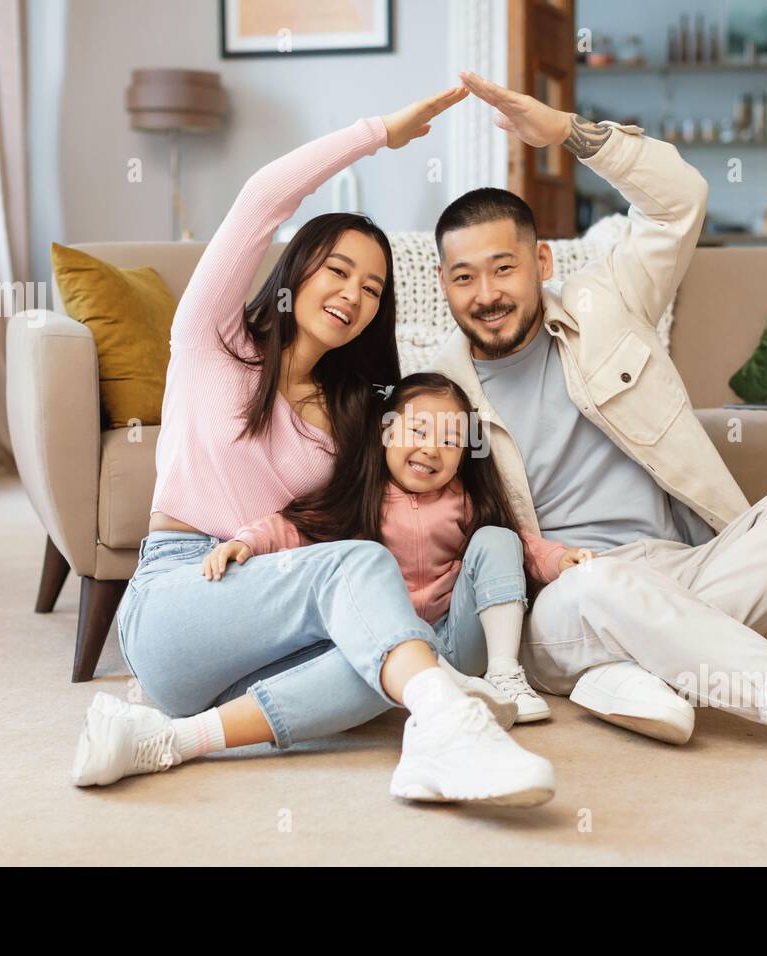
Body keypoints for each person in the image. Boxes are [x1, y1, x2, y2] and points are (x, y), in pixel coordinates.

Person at [430, 72, 767, 788]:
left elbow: (678, 203)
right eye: (463, 278)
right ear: (444, 283)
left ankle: (626, 676)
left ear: (542, 262)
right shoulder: (439, 391)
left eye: (504, 268)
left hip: (683, 561)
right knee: (603, 587)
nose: (485, 296)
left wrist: (568, 133)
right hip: (566, 599)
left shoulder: (604, 301)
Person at [70, 87, 555, 807]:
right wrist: (377, 133)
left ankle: (170, 741)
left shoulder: (355, 412)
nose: (354, 296)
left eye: (372, 289)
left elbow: (422, 471)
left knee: (384, 651)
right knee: (368, 588)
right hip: (179, 595)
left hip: (275, 631)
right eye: (338, 271)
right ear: (298, 268)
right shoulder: (212, 341)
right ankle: (450, 722)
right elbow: (261, 197)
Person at [208, 372, 595, 723]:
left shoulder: (465, 502)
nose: (431, 449)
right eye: (418, 431)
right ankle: (436, 686)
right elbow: (293, 528)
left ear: (463, 457)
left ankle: (504, 674)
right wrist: (245, 542)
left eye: (449, 440)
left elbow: (520, 548)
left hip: (459, 644)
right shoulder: (359, 499)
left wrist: (559, 559)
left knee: (498, 537)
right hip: (391, 648)